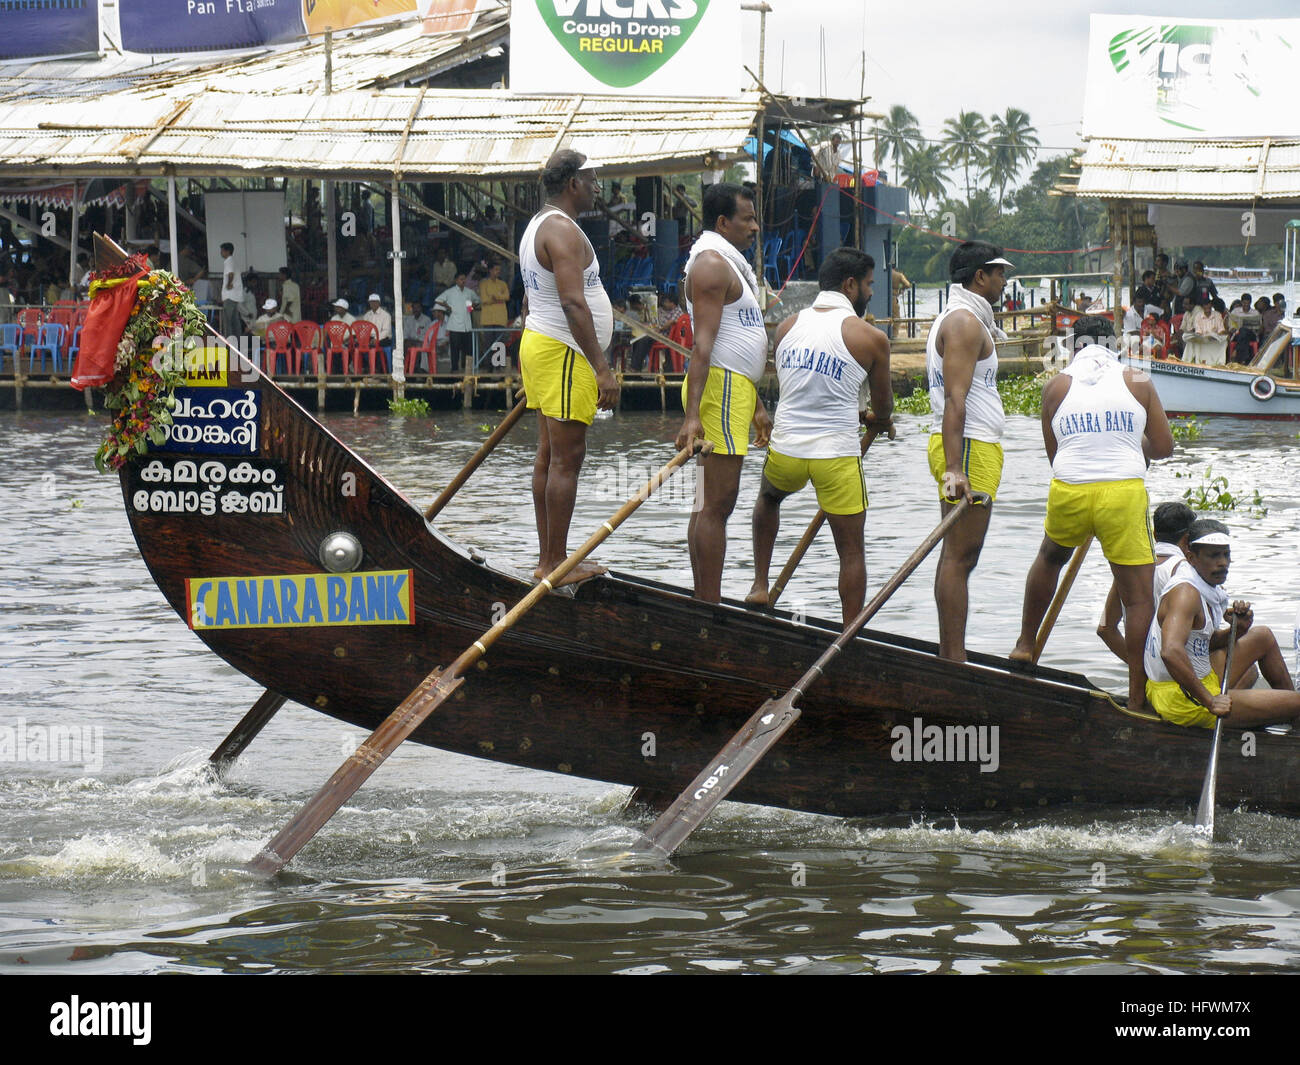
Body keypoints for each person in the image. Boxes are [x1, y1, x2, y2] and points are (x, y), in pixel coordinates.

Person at [746, 248, 892, 624]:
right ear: (849, 285)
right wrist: (875, 418)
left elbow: (805, 389)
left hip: (787, 452)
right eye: (869, 284)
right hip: (836, 458)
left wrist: (856, 413)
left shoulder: (787, 327)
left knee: (767, 498)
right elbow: (885, 409)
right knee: (851, 551)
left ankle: (760, 585)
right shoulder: (872, 339)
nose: (872, 292)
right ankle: (849, 631)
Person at [517, 148, 619, 585]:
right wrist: (601, 368)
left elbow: (530, 300)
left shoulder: (543, 225)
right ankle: (555, 563)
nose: (598, 188)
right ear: (573, 183)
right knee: (566, 460)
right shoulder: (561, 231)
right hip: (564, 353)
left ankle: (549, 560)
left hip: (546, 347)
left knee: (550, 456)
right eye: (593, 180)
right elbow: (572, 302)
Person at [675, 183, 772, 603]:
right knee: (717, 504)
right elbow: (704, 346)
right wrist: (692, 416)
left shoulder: (727, 265)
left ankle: (704, 601)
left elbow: (738, 340)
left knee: (707, 504)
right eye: (747, 219)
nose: (754, 227)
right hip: (722, 388)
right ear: (722, 223)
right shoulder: (713, 265)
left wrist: (757, 406)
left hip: (735, 390)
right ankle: (710, 606)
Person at [926, 241, 1012, 661]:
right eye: (1000, 274)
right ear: (980, 276)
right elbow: (953, 399)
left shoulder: (966, 317)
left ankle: (951, 652)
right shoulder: (963, 323)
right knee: (960, 557)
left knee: (959, 556)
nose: (1004, 281)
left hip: (973, 443)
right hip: (969, 447)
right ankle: (954, 658)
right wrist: (954, 468)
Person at [1145, 519, 1300, 728]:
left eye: (1226, 554)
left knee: (1262, 635)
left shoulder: (1206, 588)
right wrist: (1210, 701)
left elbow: (1203, 644)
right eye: (1214, 556)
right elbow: (1171, 651)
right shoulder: (1186, 594)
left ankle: (1291, 721)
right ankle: (1290, 715)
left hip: (1199, 679)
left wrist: (1238, 630)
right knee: (1298, 702)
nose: (1223, 563)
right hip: (1180, 697)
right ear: (1191, 557)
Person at [1097, 500, 1196, 665]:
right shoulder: (1186, 572)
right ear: (1188, 539)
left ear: (1155, 535)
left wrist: (1142, 667)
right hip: (1178, 673)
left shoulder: (1128, 572)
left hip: (1144, 673)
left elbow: (1105, 630)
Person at [434, 272, 479, 373]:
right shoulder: (450, 292)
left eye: (464, 279)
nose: (463, 281)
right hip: (454, 325)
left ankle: (466, 369)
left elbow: (477, 301)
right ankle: (454, 369)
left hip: (466, 325)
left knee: (467, 350)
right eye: (461, 279)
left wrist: (471, 308)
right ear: (456, 280)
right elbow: (438, 300)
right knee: (455, 349)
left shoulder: (469, 292)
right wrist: (448, 306)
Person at [478, 260, 511, 349]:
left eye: (499, 270)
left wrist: (495, 297)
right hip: (488, 319)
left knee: (500, 344)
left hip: (500, 318)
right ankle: (488, 363)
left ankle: (499, 363)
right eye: (496, 269)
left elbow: (507, 296)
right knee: (488, 344)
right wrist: (500, 297)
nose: (498, 272)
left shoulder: (502, 284)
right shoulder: (484, 283)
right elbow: (484, 300)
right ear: (490, 270)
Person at [220, 241, 243, 337]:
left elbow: (230, 274)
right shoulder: (233, 260)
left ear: (227, 251)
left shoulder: (228, 261)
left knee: (227, 321)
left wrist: (229, 284)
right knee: (235, 321)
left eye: (222, 251)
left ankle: (229, 343)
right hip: (235, 295)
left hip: (230, 295)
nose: (221, 253)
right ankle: (238, 342)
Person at [361, 293, 393, 364]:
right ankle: (366, 367)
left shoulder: (386, 315)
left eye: (375, 302)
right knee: (359, 345)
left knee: (374, 345)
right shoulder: (367, 315)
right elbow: (364, 330)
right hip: (370, 338)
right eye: (371, 302)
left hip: (383, 338)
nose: (373, 304)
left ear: (379, 302)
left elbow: (386, 331)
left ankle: (377, 368)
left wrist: (376, 339)